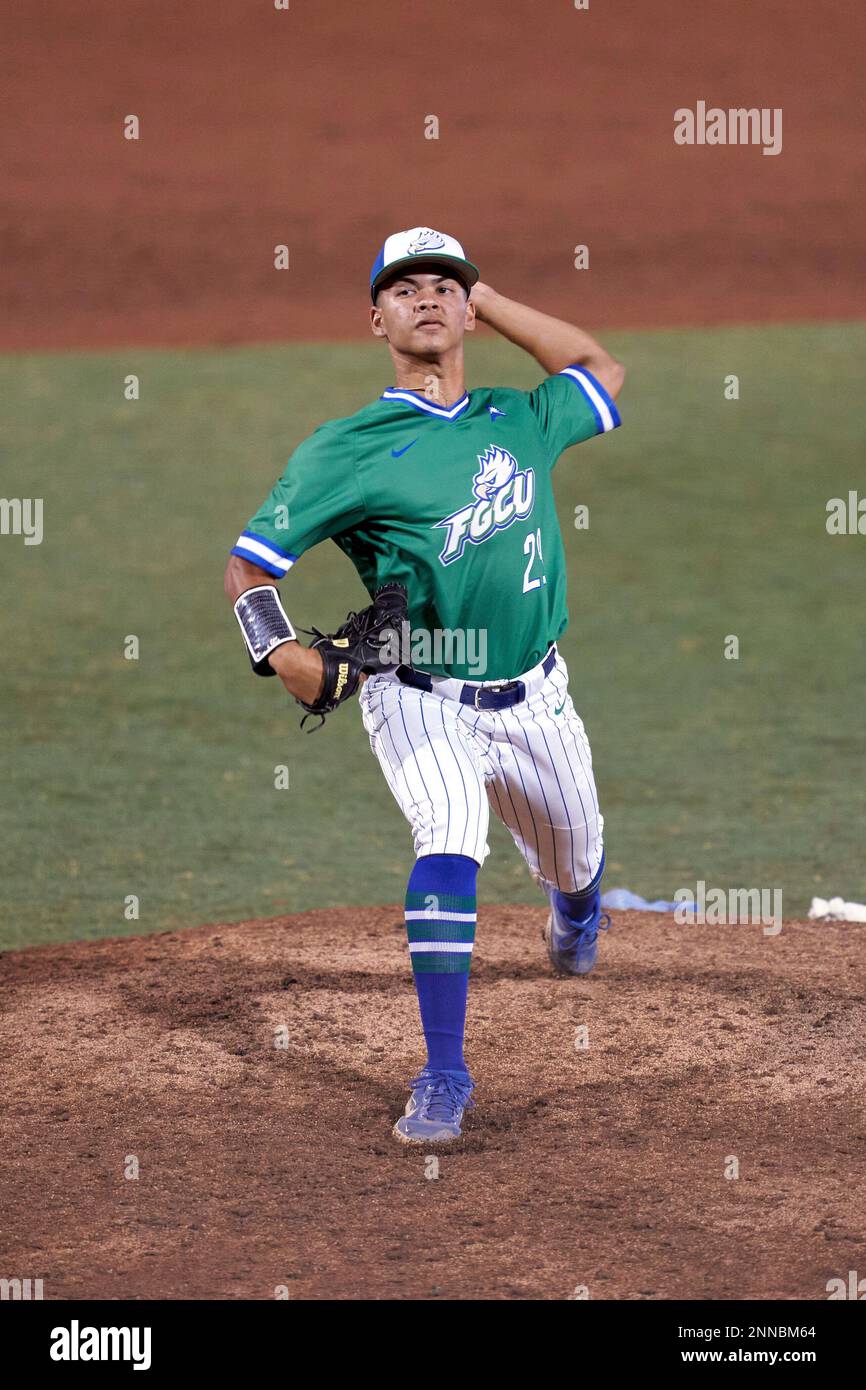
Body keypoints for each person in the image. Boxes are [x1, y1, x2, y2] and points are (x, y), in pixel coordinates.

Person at [224, 226, 625, 1143]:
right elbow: (250, 568)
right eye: (407, 288)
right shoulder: (346, 449)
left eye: (448, 286)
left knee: (576, 860)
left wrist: (496, 304)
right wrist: (279, 652)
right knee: (449, 838)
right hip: (415, 694)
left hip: (539, 697)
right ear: (378, 319)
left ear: (469, 309)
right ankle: (444, 1072)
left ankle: (576, 912)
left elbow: (600, 366)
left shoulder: (518, 415)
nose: (431, 297)